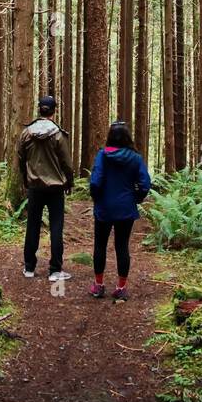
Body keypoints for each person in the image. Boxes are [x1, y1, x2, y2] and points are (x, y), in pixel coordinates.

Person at [88, 120, 151, 301]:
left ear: (110, 137)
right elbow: (145, 184)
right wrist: (135, 198)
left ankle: (98, 286)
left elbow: (95, 181)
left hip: (104, 208)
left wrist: (96, 197)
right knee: (122, 246)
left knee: (100, 245)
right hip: (125, 208)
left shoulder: (103, 155)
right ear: (128, 137)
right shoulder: (136, 158)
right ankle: (121, 287)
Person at [17, 95, 74, 281]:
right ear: (53, 110)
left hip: (34, 187)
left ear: (39, 109)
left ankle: (29, 267)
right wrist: (69, 181)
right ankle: (55, 270)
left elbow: (20, 157)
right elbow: (66, 162)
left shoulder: (26, 133)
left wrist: (25, 179)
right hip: (56, 188)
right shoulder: (58, 134)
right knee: (56, 226)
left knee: (32, 225)